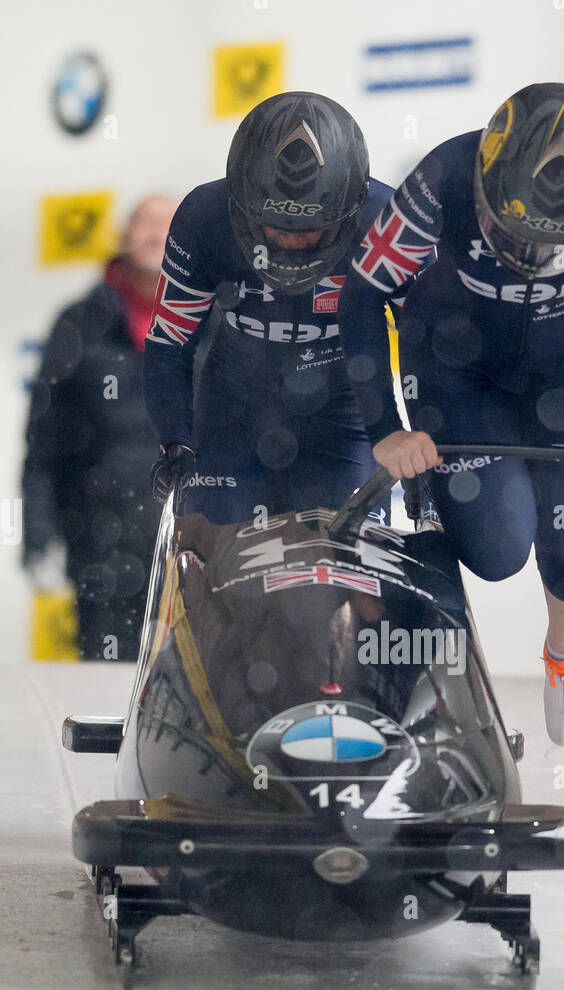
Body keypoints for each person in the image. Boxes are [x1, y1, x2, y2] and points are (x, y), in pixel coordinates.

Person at [338, 82, 564, 744]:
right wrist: (387, 429)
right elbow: (365, 294)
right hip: (456, 367)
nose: (533, 260)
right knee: (498, 549)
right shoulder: (444, 174)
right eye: (517, 239)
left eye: (554, 248)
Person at [144, 91, 398, 524]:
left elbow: (428, 344)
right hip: (232, 421)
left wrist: (428, 449)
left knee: (350, 572)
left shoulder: (387, 223)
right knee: (214, 568)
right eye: (274, 226)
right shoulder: (203, 219)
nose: (290, 243)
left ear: (346, 212)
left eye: (309, 230)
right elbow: (169, 343)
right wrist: (177, 442)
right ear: (242, 203)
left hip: (344, 424)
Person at [22, 194, 176, 660]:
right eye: (143, 224)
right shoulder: (80, 323)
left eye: (166, 226)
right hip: (100, 542)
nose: (153, 236)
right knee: (105, 682)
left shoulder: (212, 321)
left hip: (190, 539)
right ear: (124, 237)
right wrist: (37, 533)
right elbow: (43, 437)